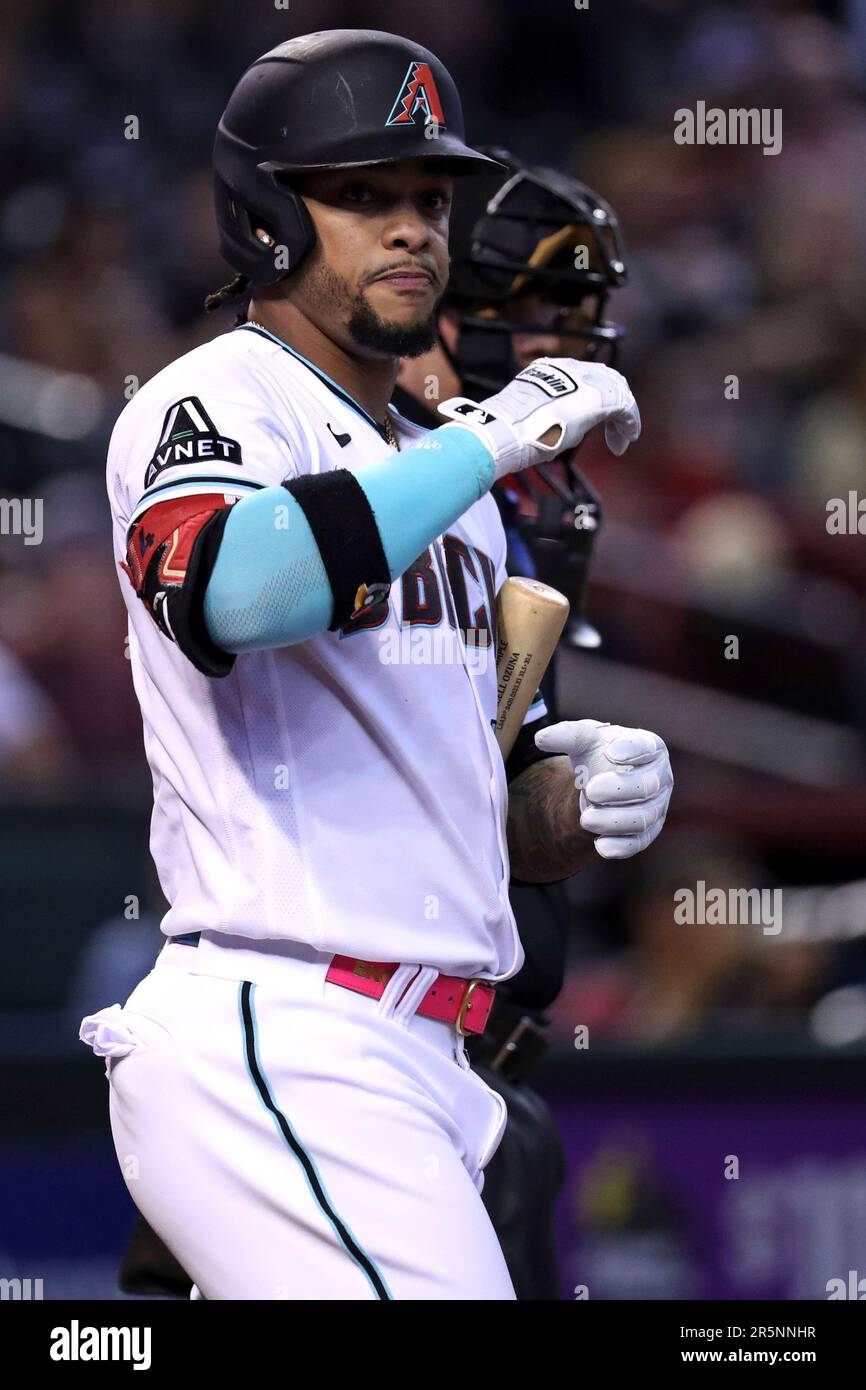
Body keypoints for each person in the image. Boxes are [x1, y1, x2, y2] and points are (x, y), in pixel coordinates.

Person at [79, 30, 670, 1300]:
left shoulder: (438, 474)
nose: (410, 229)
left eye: (427, 199)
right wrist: (493, 442)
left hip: (436, 1047)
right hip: (289, 1021)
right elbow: (241, 588)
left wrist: (573, 797)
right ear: (263, 215)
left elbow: (470, 822)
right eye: (361, 196)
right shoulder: (223, 394)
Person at [394, 149, 631, 1298]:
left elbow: (482, 811)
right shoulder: (361, 501)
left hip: (479, 1076)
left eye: (583, 318)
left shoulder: (509, 520)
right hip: (347, 1069)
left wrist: (582, 804)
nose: (569, 350)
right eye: (540, 313)